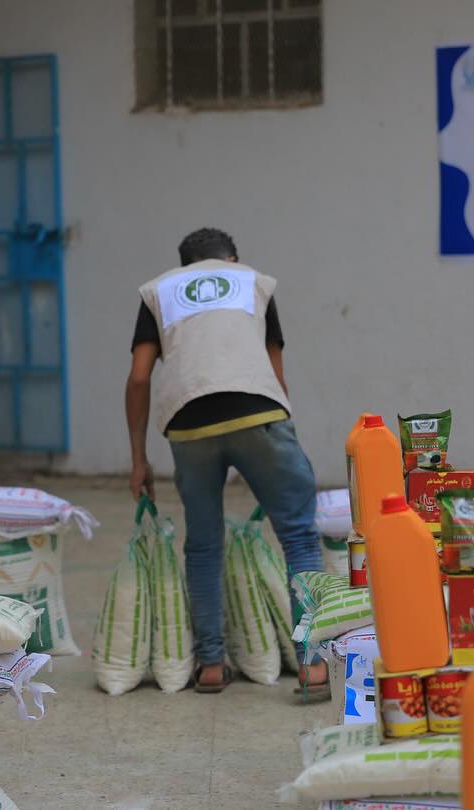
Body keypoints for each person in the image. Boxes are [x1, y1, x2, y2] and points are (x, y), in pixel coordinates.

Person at [125, 227, 329, 700]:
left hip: (187, 423)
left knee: (203, 545)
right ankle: (314, 667)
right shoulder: (254, 282)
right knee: (298, 535)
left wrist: (138, 459)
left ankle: (211, 664)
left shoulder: (159, 291)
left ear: (183, 265)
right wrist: (283, 443)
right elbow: (275, 372)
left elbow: (139, 377)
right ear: (233, 258)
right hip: (258, 412)